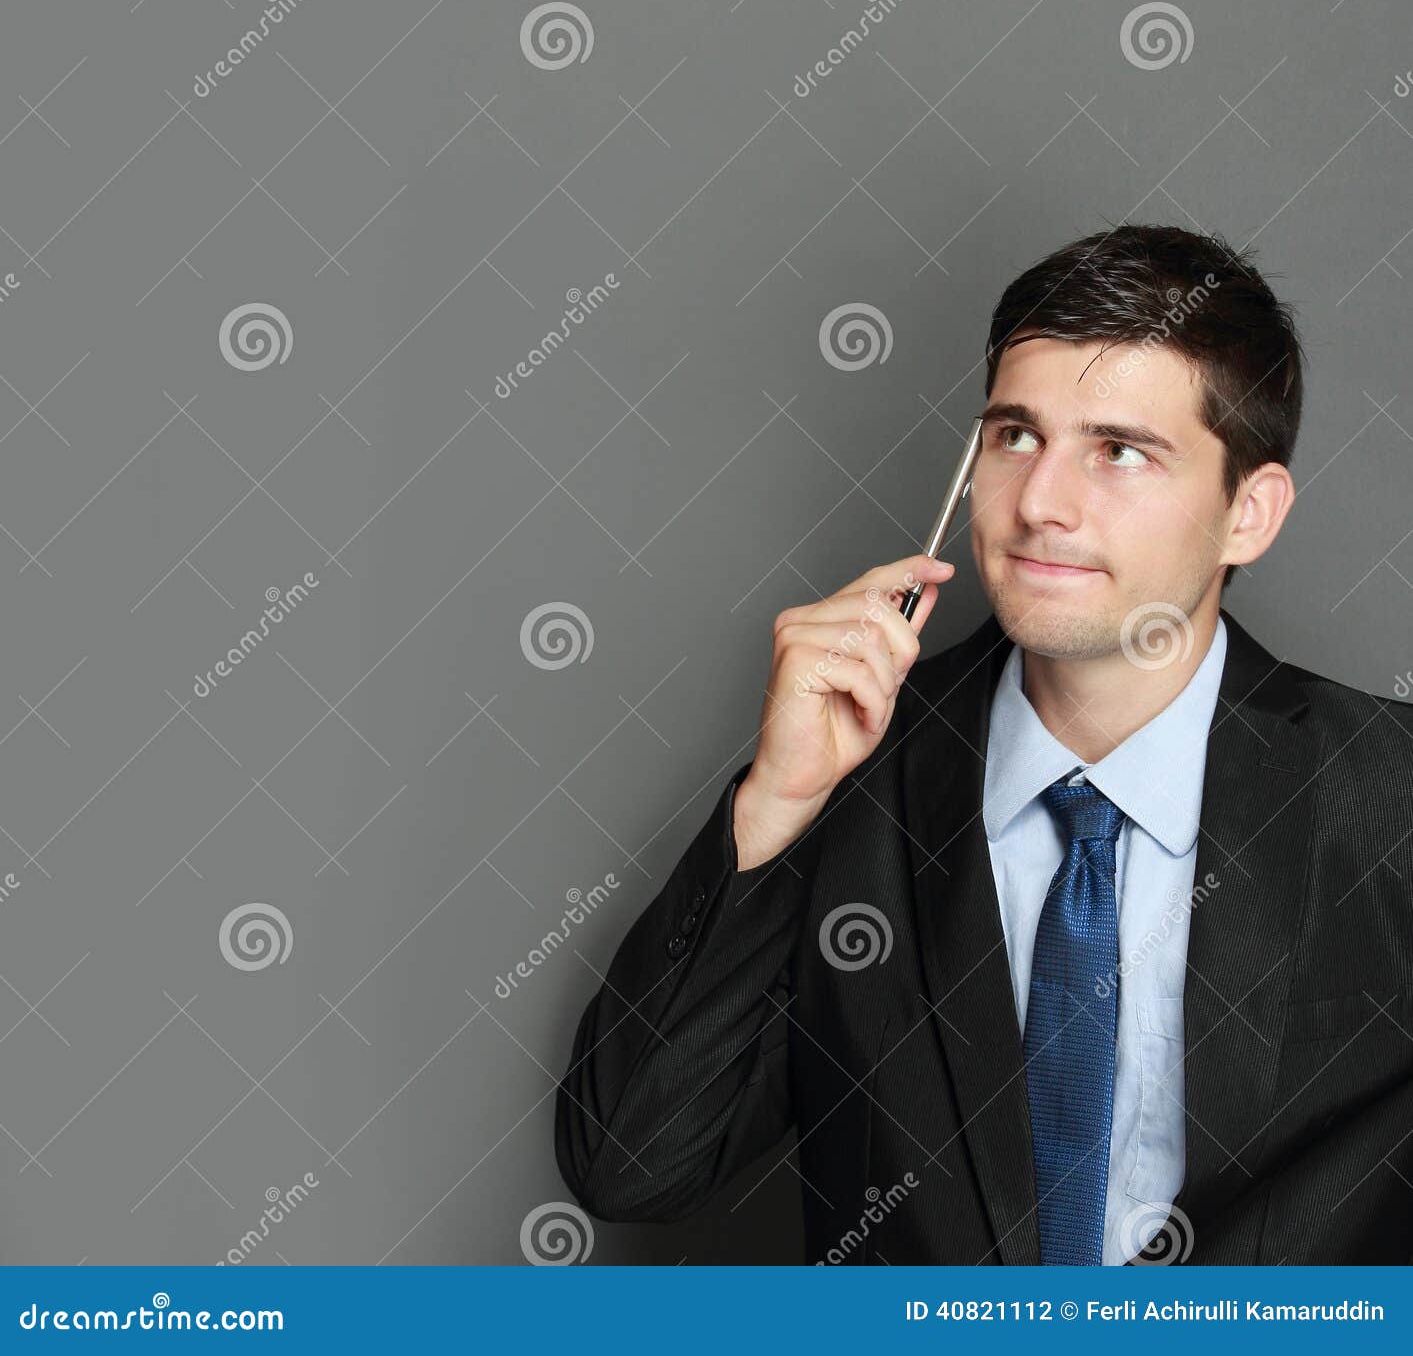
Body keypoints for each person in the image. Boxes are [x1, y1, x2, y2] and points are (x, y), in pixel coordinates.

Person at [554, 224, 1413, 1265]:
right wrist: (776, 802)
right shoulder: (853, 788)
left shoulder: (1384, 792)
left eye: (1119, 450)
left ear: (1249, 512)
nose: (1040, 503)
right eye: (1015, 435)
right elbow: (628, 1161)